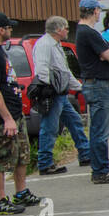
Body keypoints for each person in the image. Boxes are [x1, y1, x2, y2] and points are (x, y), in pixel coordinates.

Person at [73, 0, 109, 184]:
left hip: (94, 83)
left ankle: (100, 168)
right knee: (100, 131)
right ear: (95, 11)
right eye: (98, 10)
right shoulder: (90, 33)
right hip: (99, 85)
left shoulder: (83, 31)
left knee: (97, 128)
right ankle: (101, 171)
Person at [31, 16, 90, 174]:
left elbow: (64, 71)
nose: (67, 31)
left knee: (75, 121)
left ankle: (85, 153)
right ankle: (45, 163)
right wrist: (50, 88)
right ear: (58, 29)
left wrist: (78, 87)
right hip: (53, 93)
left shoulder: (56, 44)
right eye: (66, 28)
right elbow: (41, 69)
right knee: (49, 127)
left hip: (61, 92)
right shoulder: (45, 45)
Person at [0, 11, 40, 214]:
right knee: (1, 158)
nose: (11, 30)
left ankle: (21, 192)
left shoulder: (2, 51)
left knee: (22, 154)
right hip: (3, 117)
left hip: (15, 112)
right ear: (1, 30)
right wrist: (6, 118)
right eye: (9, 27)